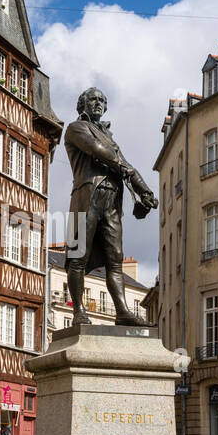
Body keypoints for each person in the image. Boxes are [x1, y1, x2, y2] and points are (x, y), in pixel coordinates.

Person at [63, 87, 159, 326]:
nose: (98, 103)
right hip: (83, 198)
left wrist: (145, 192)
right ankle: (78, 312)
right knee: (77, 257)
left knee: (115, 258)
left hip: (111, 201)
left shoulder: (110, 138)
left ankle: (123, 311)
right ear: (82, 104)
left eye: (102, 101)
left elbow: (125, 164)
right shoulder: (76, 128)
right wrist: (125, 169)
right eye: (93, 99)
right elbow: (98, 151)